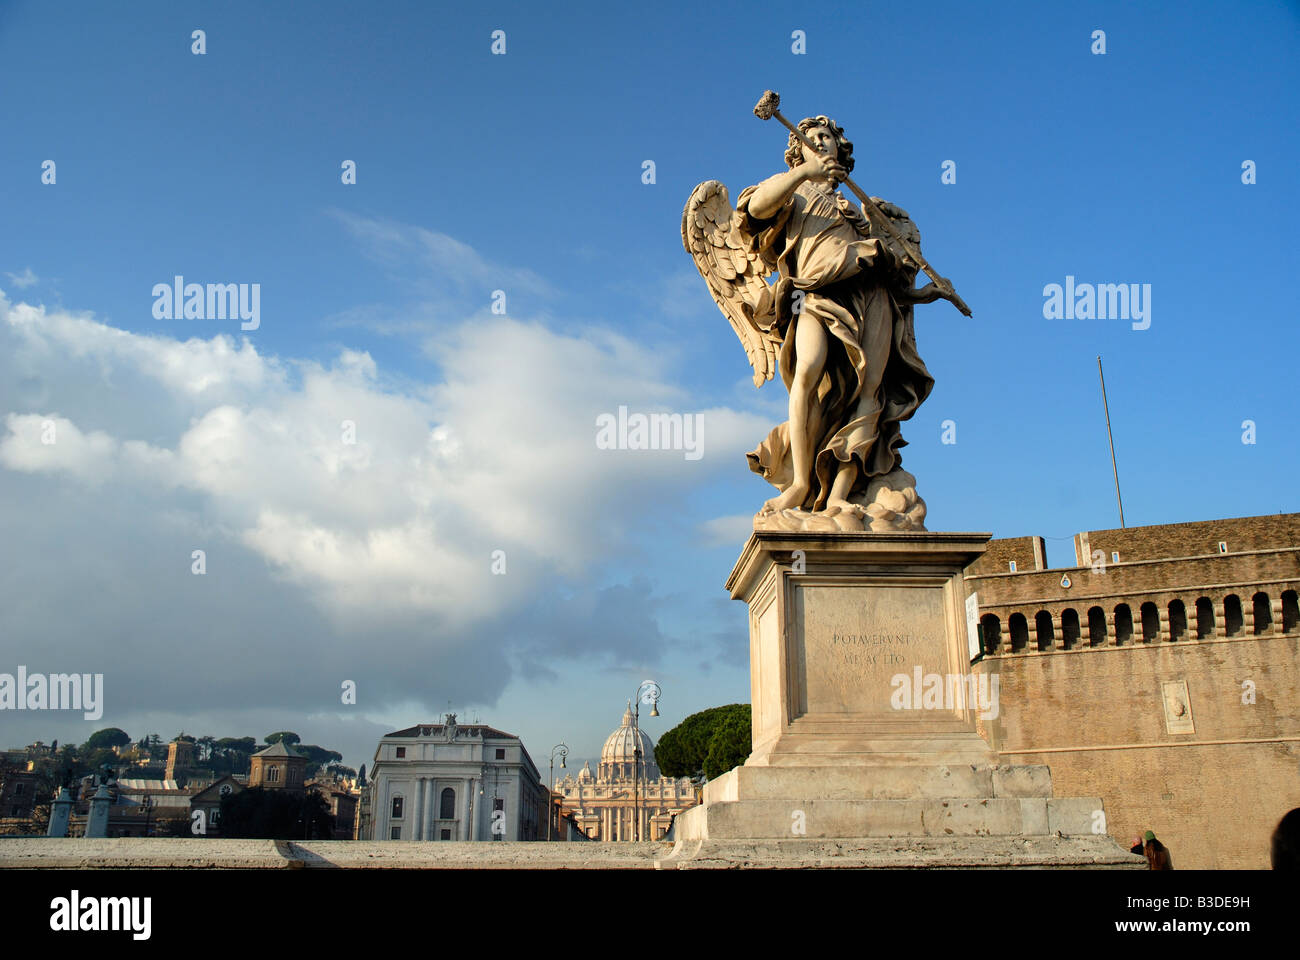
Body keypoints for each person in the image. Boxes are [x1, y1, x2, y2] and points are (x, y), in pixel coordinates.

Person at [734, 116, 954, 519]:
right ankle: (801, 482)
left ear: (841, 151)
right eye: (812, 139)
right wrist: (804, 173)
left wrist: (922, 293)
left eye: (828, 139)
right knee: (808, 373)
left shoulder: (860, 211)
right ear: (797, 150)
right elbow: (754, 208)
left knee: (870, 392)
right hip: (815, 296)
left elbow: (890, 278)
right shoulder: (793, 194)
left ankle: (840, 493)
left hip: (871, 298)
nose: (821, 143)